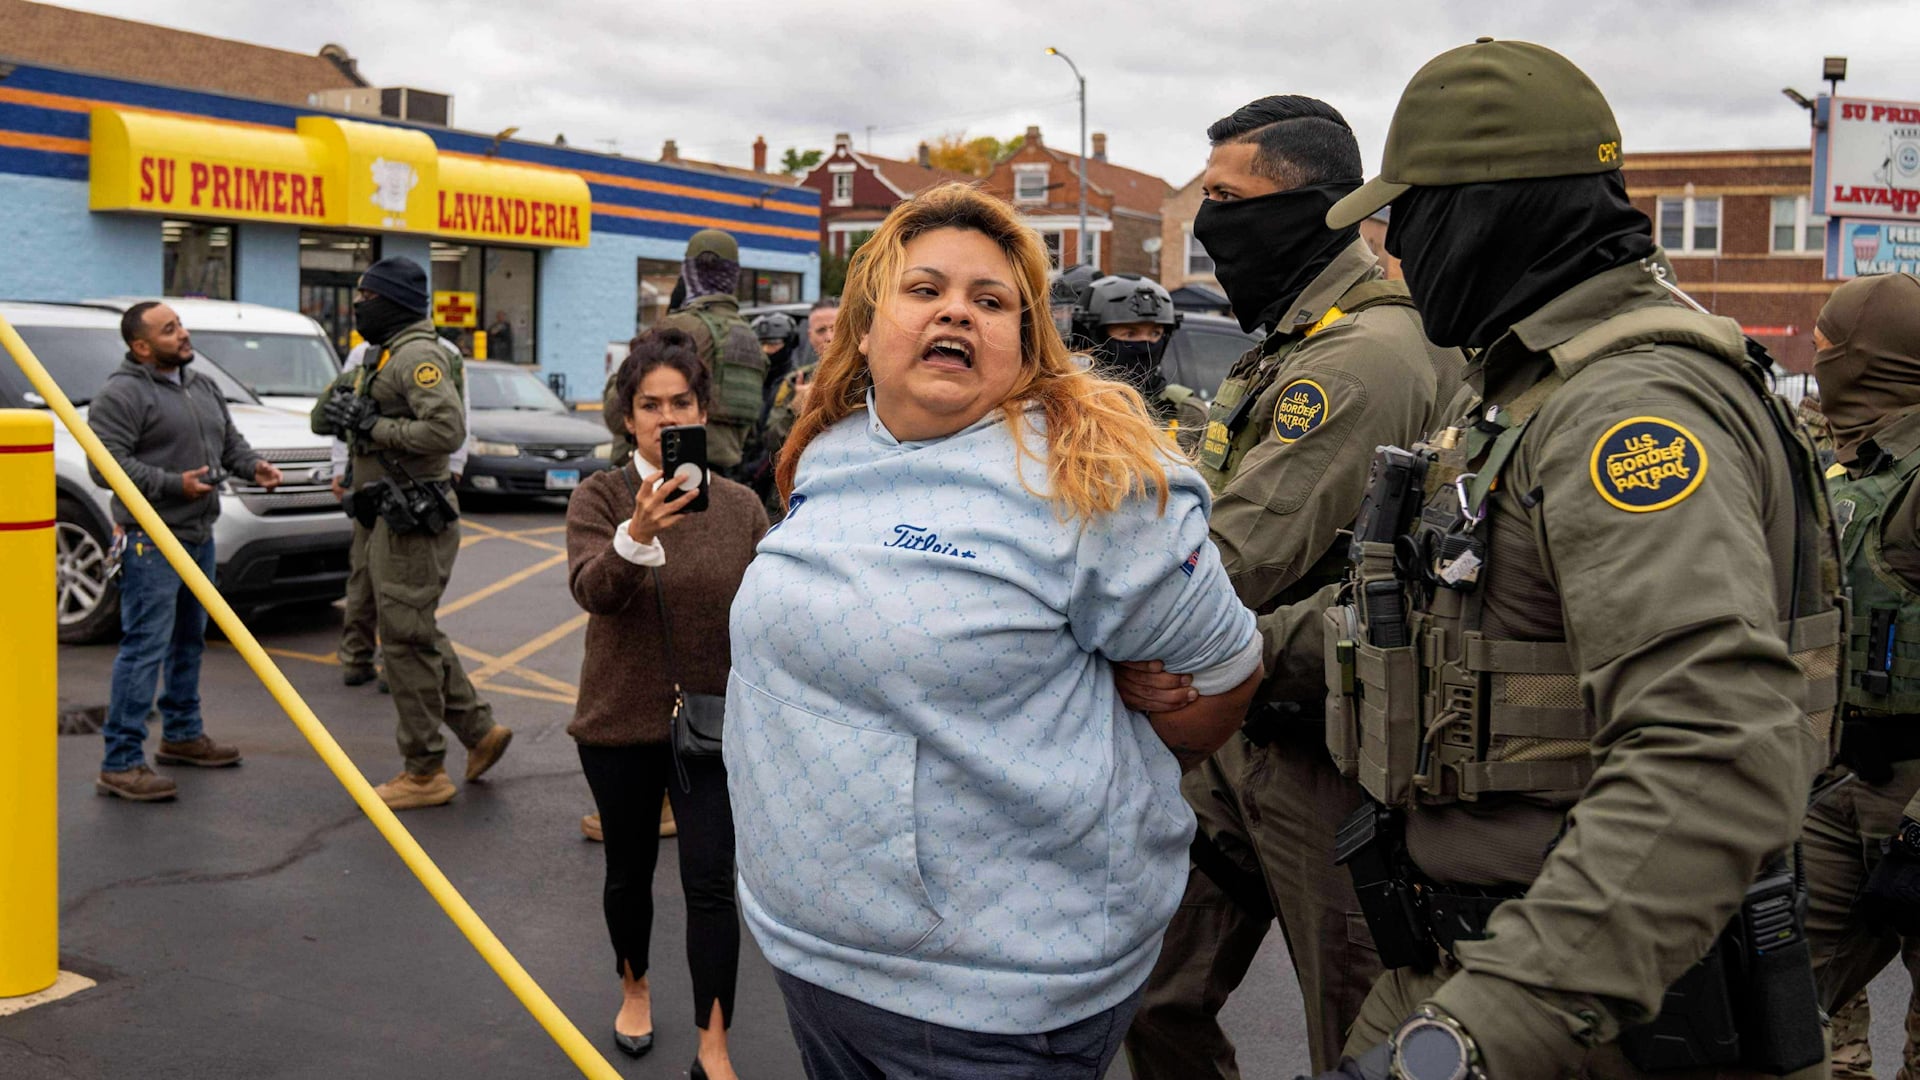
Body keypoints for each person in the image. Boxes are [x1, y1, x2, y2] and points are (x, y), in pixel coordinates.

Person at [1287, 39, 1839, 1078]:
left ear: (1486, 212)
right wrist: (1239, 651)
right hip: (1474, 966)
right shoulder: (1530, 392)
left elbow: (1714, 752)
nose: (1394, 247)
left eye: (1411, 214)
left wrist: (1476, 1039)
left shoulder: (1626, 410)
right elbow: (1447, 629)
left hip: (1579, 1013)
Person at [726, 182, 1264, 1079]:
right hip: (811, 956)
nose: (956, 313)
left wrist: (1127, 728)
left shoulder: (1097, 481)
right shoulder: (830, 448)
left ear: (1025, 338)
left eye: (990, 300)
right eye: (924, 289)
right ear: (866, 326)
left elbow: (1225, 675)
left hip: (990, 1001)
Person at [1119, 95, 1463, 1078]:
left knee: (1356, 1035)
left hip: (1333, 755)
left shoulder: (1360, 359)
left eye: (1230, 201)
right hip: (1244, 737)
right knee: (1150, 991)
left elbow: (1224, 562)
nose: (1211, 223)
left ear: (1316, 208)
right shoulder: (1297, 340)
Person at [566, 328, 765, 1079]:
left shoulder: (741, 506)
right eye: (650, 405)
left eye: (680, 402)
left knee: (711, 883)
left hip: (711, 726)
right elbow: (593, 592)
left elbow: (767, 613)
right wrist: (635, 536)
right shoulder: (600, 496)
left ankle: (714, 1045)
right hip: (619, 719)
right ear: (627, 419)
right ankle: (635, 986)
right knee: (629, 872)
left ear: (703, 412)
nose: (666, 417)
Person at [311, 256, 512, 811]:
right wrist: (348, 406)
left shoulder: (418, 356)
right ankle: (478, 730)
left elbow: (447, 430)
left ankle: (424, 771)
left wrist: (377, 426)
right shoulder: (379, 355)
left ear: (393, 303)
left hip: (413, 517)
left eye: (366, 298)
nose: (358, 307)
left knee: (403, 641)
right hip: (385, 515)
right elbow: (321, 417)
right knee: (413, 629)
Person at [1800, 271, 1920, 1077]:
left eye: (1829, 349)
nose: (1819, 365)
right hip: (1840, 779)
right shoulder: (1851, 467)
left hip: (1911, 791)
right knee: (1772, 1008)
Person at [89, 301, 282, 800]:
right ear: (141, 346)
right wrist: (173, 484)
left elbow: (229, 443)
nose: (183, 334)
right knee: (144, 648)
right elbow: (105, 466)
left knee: (188, 641)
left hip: (199, 535)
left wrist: (253, 466)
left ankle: (181, 735)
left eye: (180, 325)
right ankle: (120, 762)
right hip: (150, 541)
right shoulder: (121, 394)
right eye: (169, 329)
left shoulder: (201, 384)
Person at [330, 334, 473, 689]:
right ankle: (361, 657)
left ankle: (381, 660)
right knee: (374, 576)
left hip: (406, 487)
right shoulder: (367, 353)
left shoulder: (441, 353)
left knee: (393, 581)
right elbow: (342, 412)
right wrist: (340, 467)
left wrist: (455, 464)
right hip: (381, 483)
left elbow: (455, 419)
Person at [601, 231, 764, 475]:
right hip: (724, 473)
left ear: (689, 273)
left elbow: (616, 413)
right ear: (734, 274)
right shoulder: (749, 336)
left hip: (666, 468)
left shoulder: (679, 327)